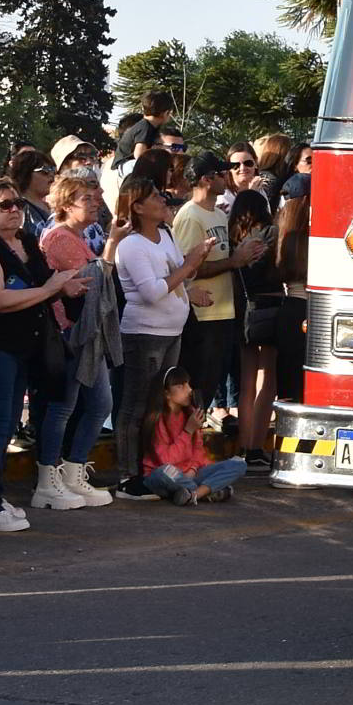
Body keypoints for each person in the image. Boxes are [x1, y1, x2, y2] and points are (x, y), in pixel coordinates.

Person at [0, 179, 83, 533]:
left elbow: (45, 284)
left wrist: (64, 287)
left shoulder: (26, 241)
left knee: (6, 425)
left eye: (18, 205)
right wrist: (48, 290)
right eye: (5, 205)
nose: (15, 211)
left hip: (21, 346)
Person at [110, 174, 210, 494]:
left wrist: (194, 270)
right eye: (153, 196)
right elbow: (153, 292)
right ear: (137, 206)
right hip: (145, 333)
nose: (161, 200)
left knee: (158, 406)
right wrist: (190, 264)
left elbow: (177, 273)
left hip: (171, 331)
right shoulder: (131, 245)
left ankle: (151, 468)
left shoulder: (165, 234)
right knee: (137, 404)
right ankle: (128, 476)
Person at [33, 176, 115, 511]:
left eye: (96, 197)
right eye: (86, 198)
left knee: (98, 405)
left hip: (87, 334)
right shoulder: (61, 239)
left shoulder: (78, 238)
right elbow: (93, 285)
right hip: (70, 334)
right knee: (63, 406)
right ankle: (47, 481)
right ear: (66, 204)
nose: (95, 202)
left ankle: (72, 472)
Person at [171, 154, 266, 433]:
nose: (229, 176)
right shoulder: (190, 215)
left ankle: (191, 450)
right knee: (198, 386)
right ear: (206, 179)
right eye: (222, 173)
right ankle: (181, 449)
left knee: (208, 386)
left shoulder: (217, 213)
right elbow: (188, 269)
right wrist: (233, 261)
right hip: (203, 314)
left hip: (223, 311)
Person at [140, 366, 247, 505]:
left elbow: (198, 451)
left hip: (191, 474)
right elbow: (165, 460)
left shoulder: (190, 413)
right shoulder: (157, 420)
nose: (189, 390)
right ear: (166, 393)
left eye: (188, 384)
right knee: (165, 471)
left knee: (239, 464)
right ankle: (208, 491)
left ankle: (194, 494)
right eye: (181, 386)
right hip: (164, 476)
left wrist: (193, 469)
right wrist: (187, 431)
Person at [230, 186, 281, 470]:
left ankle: (244, 445)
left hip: (242, 309)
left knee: (247, 380)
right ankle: (256, 446)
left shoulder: (232, 236)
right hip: (269, 306)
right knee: (268, 379)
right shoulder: (270, 234)